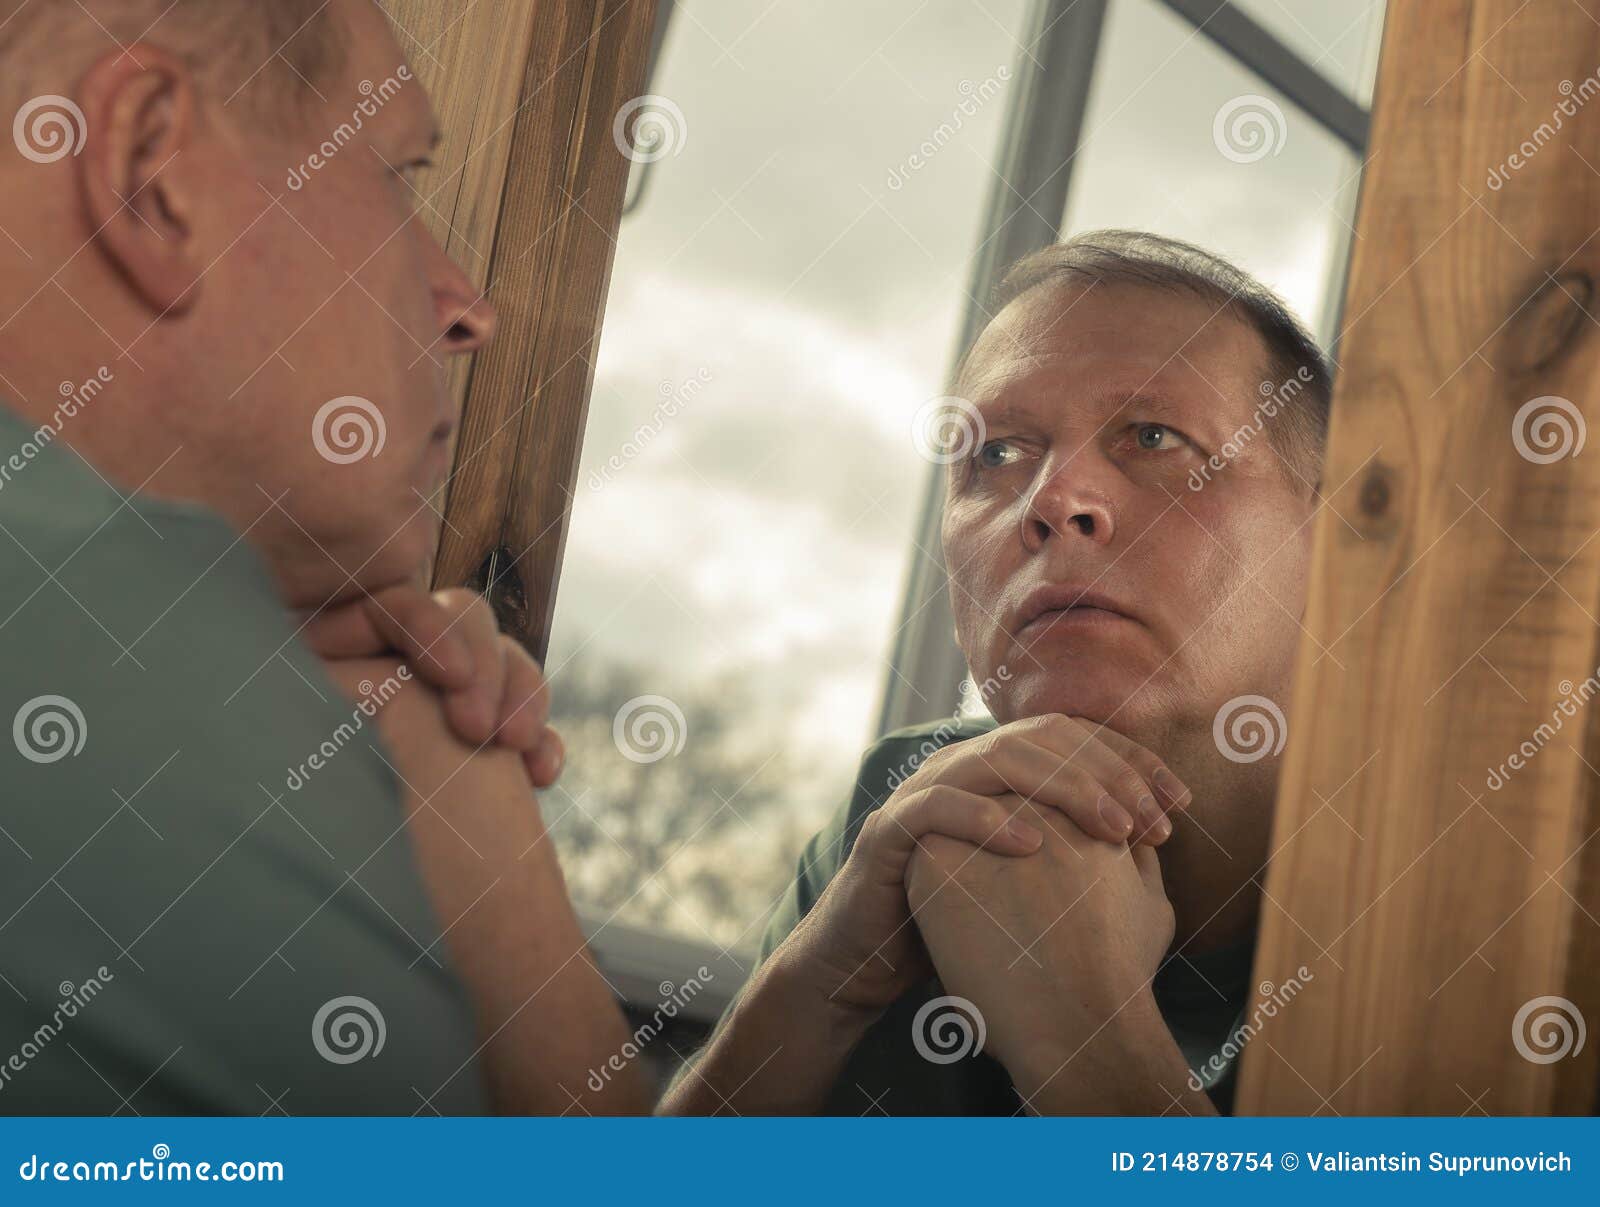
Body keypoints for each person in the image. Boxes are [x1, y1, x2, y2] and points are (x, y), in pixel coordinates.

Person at [0, 0, 647, 1114]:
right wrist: (506, 902)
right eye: (398, 175)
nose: (467, 308)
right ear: (155, 171)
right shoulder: (153, 675)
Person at [664, 230, 1329, 1116]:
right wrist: (816, 984)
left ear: (1335, 545)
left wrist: (1088, 1041)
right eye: (997, 455)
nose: (1054, 500)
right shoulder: (906, 801)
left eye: (1155, 436)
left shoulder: (1473, 891)